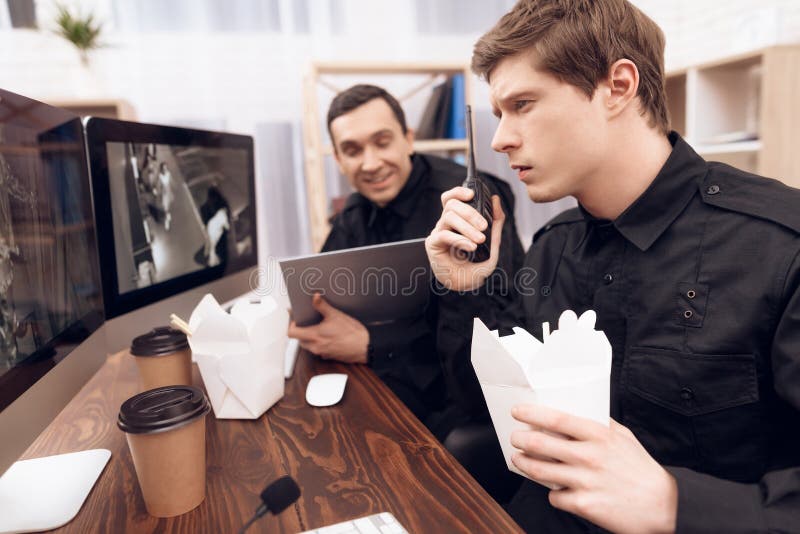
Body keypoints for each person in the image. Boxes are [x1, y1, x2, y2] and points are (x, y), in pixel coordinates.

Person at [424, 0, 800, 532]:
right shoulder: (554, 247)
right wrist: (463, 287)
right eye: (498, 113)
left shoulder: (780, 248)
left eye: (523, 104)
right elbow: (490, 414)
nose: (499, 138)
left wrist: (675, 502)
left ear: (618, 87)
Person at [287, 84, 526, 500]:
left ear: (408, 139)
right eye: (352, 150)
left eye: (382, 142)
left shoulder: (469, 202)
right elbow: (318, 294)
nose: (371, 163)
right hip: (381, 386)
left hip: (456, 401)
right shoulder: (354, 214)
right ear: (338, 159)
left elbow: (496, 335)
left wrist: (372, 343)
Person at [157, 162, 174, 231]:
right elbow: (158, 185)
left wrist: (173, 185)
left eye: (166, 168)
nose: (165, 169)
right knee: (165, 208)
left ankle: (167, 214)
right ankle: (167, 221)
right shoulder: (160, 176)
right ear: (161, 169)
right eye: (164, 168)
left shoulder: (168, 174)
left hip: (169, 193)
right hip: (164, 195)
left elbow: (171, 181)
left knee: (167, 207)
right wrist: (159, 191)